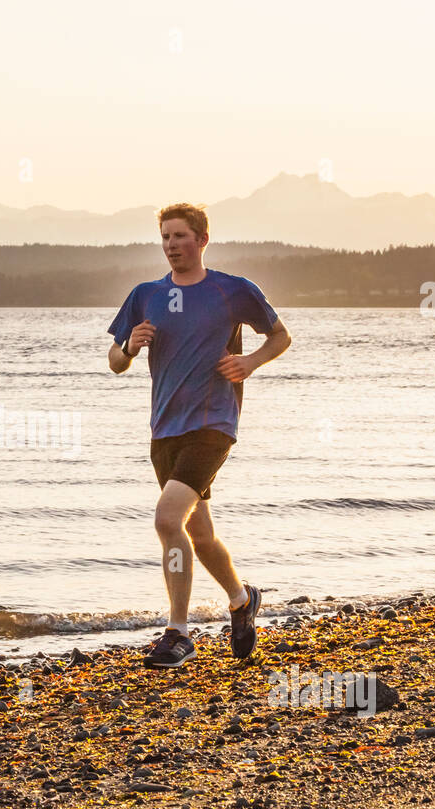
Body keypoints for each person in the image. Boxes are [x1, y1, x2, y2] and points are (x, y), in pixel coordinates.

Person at [106, 202, 291, 669]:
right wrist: (130, 346)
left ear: (202, 240)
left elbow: (280, 336)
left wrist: (250, 362)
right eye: (165, 237)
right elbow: (114, 358)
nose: (171, 245)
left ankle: (179, 634)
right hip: (164, 429)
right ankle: (241, 598)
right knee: (200, 534)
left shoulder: (232, 291)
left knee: (168, 519)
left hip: (213, 425)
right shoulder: (145, 295)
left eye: (180, 237)